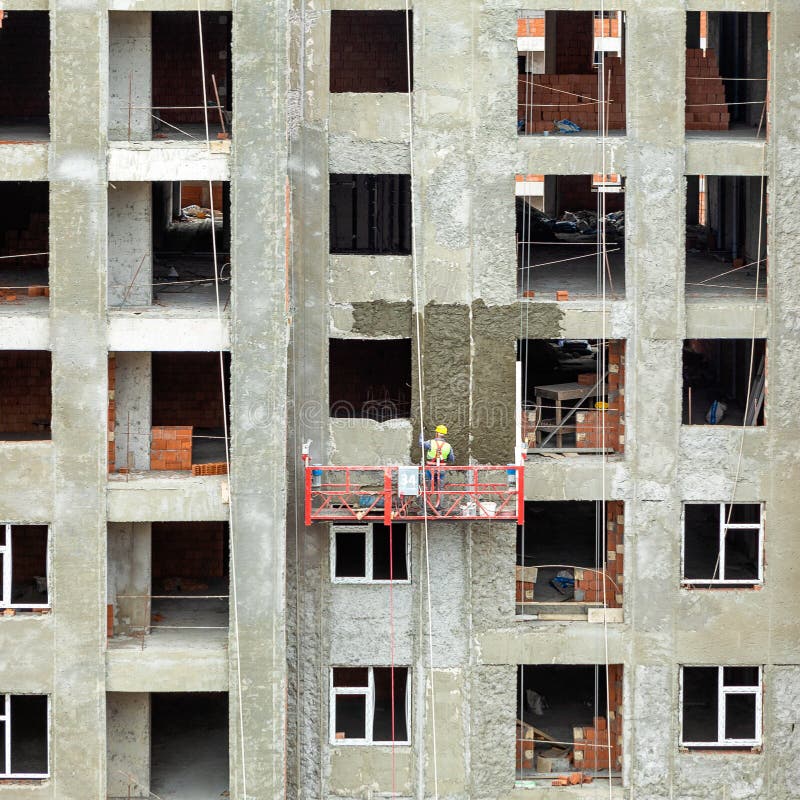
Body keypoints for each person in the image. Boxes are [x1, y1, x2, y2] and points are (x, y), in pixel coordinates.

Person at [419, 424, 454, 494]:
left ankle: (425, 503)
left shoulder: (430, 443)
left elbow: (420, 443)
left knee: (427, 489)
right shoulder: (448, 446)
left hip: (430, 469)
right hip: (441, 470)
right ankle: (439, 504)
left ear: (437, 433)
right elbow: (452, 459)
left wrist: (422, 432)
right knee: (440, 489)